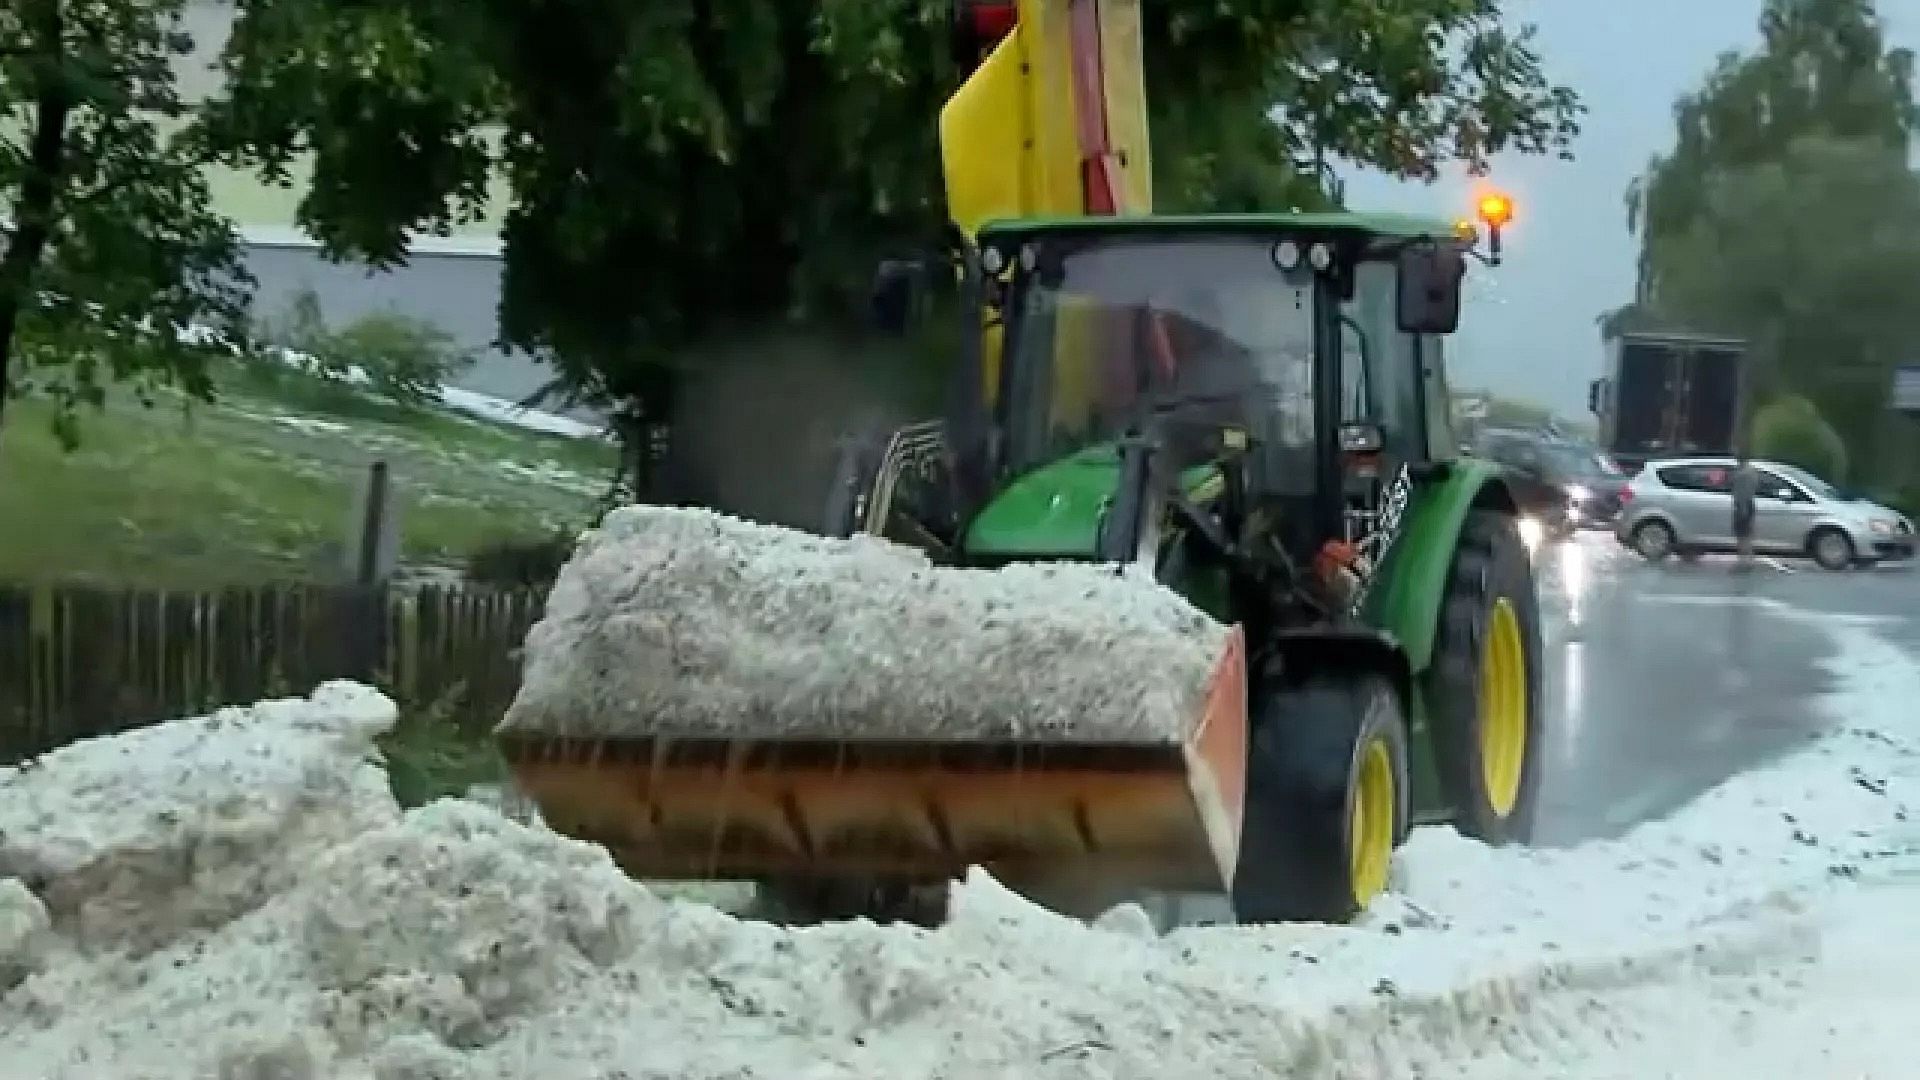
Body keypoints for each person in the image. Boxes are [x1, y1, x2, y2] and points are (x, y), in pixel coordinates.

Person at [1730, 453, 1758, 572]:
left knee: (1742, 535)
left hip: (1743, 505)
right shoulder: (1752, 472)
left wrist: (1741, 509)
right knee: (1746, 534)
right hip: (1749, 503)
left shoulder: (1743, 474)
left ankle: (1745, 560)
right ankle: (1748, 559)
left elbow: (1742, 494)